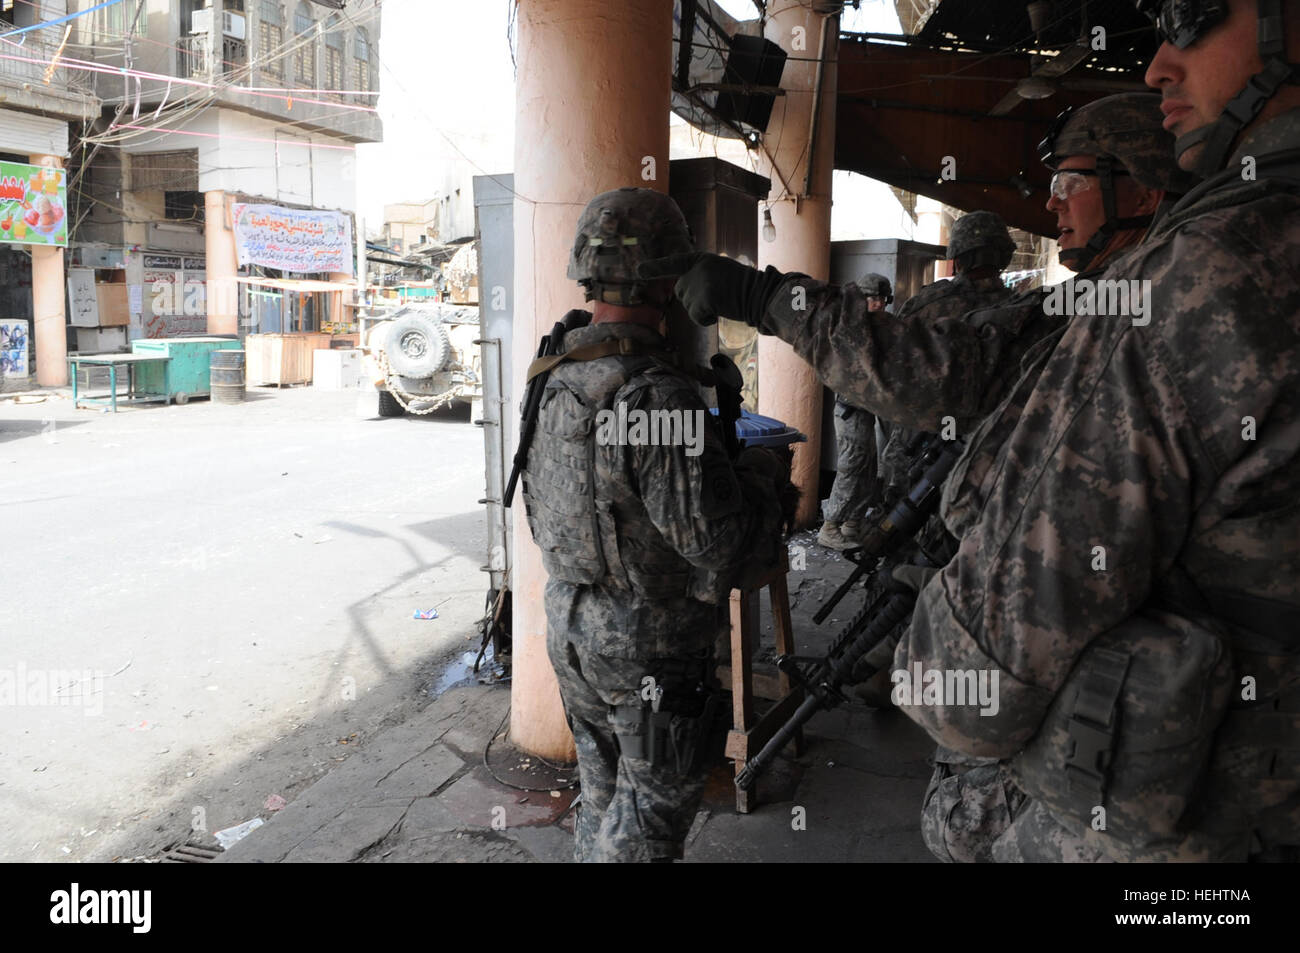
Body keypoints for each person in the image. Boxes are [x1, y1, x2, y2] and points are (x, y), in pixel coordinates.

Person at [641, 0, 1300, 861]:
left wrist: (763, 300)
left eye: (1071, 185)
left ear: (1140, 187)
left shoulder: (1193, 277)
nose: (1159, 65)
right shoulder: (1083, 302)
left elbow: (972, 669)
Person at [520, 187, 790, 863]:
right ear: (669, 281)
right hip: (651, 650)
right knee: (646, 829)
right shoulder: (657, 397)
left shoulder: (552, 375)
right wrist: (761, 479)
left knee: (607, 798)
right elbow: (721, 549)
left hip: (573, 628)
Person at [819, 272, 892, 551]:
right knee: (851, 469)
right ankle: (830, 527)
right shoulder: (848, 327)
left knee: (867, 469)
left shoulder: (872, 327)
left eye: (883, 299)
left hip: (865, 410)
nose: (879, 304)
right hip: (851, 410)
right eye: (874, 299)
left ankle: (851, 524)